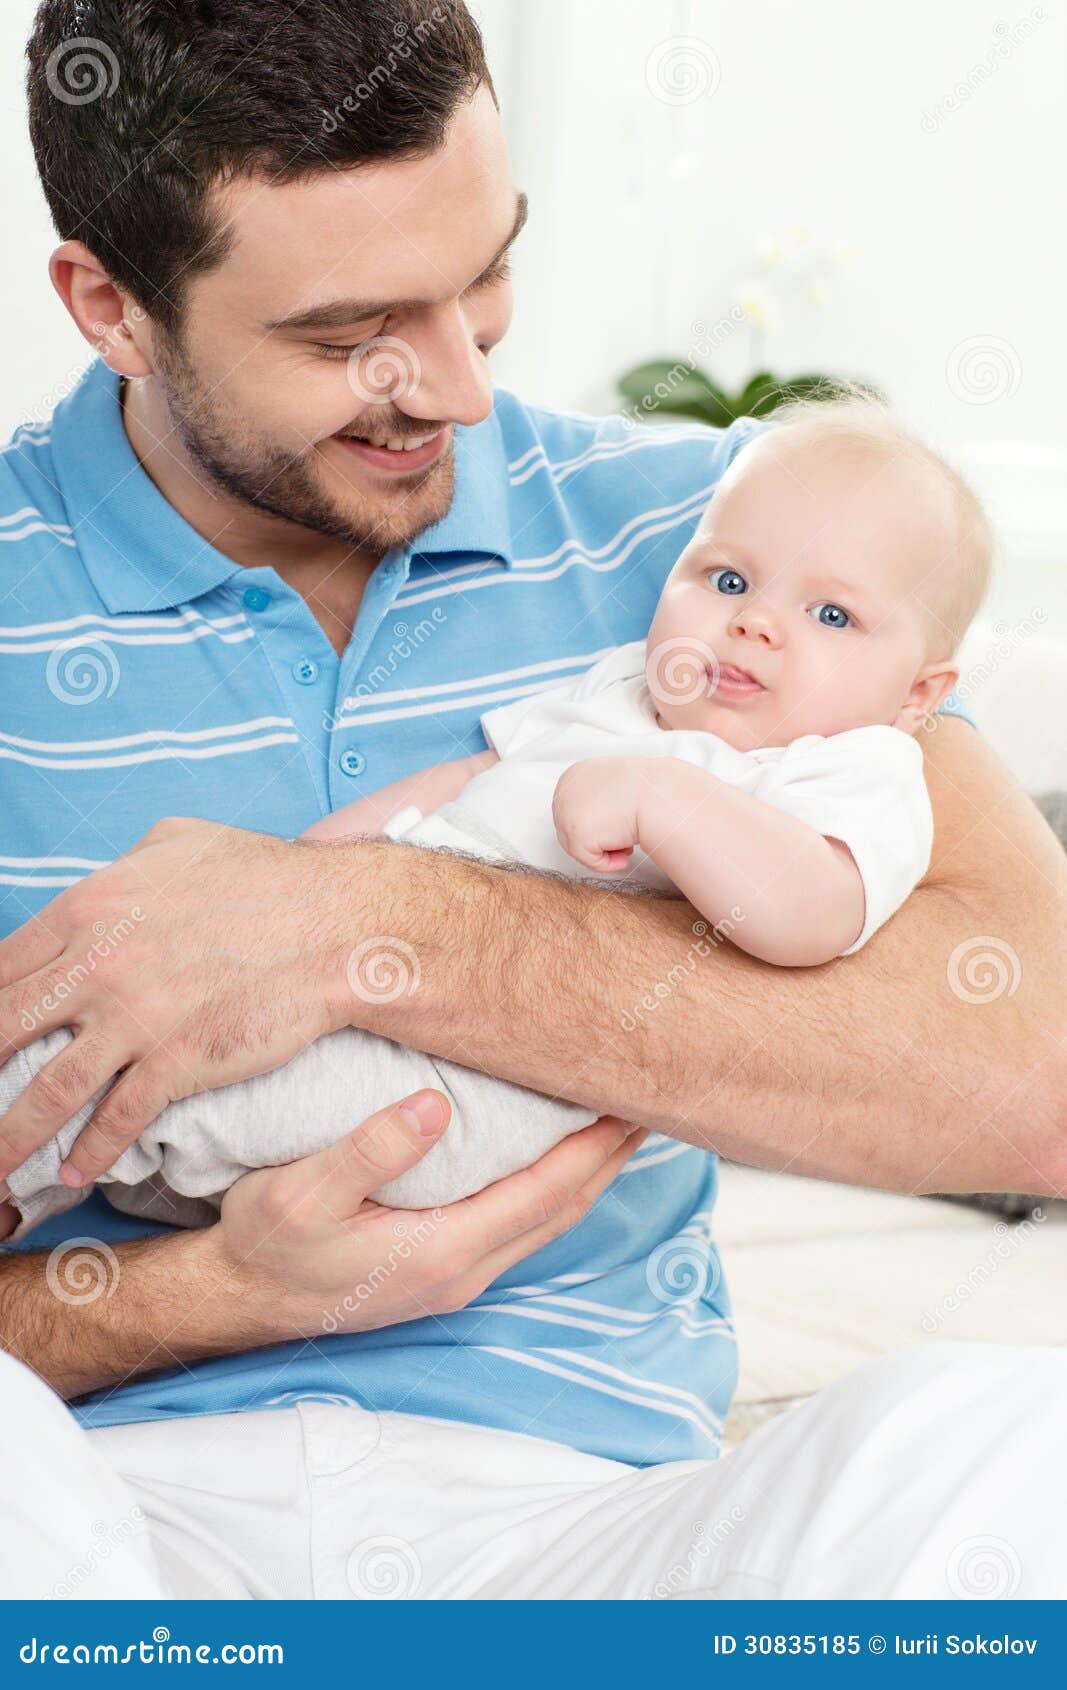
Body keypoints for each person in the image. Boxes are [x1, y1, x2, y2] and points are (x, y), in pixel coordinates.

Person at [1, 0, 1064, 1600]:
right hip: (89, 1508)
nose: (457, 390)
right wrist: (204, 1292)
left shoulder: (722, 553)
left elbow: (1033, 1061)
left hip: (594, 1535)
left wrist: (368, 920)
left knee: (1007, 1458)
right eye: (347, 330)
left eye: (483, 279)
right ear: (112, 305)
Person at [1, 398, 994, 1235]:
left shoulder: (854, 768)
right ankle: (115, 1171)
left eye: (831, 616)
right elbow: (469, 772)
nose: (755, 621)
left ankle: (52, 1154)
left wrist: (665, 800)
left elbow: (811, 913)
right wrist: (299, 868)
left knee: (144, 1079)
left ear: (918, 692)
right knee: (168, 1039)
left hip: (482, 1088)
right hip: (356, 1010)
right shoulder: (622, 688)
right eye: (726, 579)